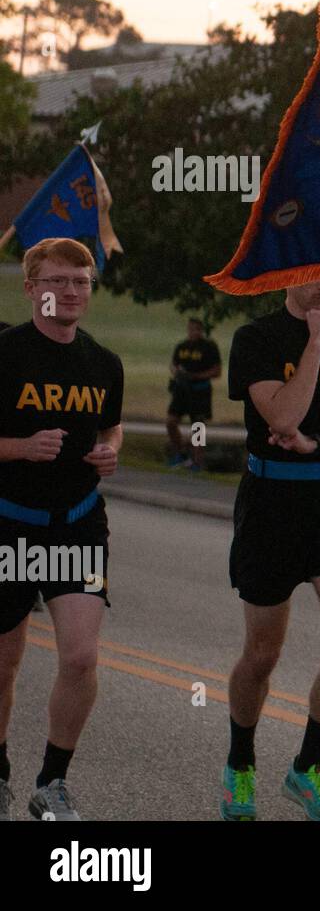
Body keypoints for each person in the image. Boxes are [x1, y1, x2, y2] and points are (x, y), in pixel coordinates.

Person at [219, 278, 320, 821]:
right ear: (285, 274)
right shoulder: (256, 339)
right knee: (262, 654)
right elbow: (283, 418)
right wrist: (314, 344)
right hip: (270, 503)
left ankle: (306, 768)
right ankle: (241, 763)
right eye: (313, 272)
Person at [0, 238, 124, 820]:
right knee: (4, 662)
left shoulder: (104, 363)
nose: (70, 292)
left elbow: (112, 429)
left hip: (77, 524)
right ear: (31, 289)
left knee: (79, 657)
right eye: (56, 282)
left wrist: (107, 451)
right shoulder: (6, 354)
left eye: (80, 282)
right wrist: (20, 448)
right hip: (9, 523)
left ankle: (51, 783)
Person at [167, 318, 222, 470]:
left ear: (201, 330)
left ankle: (197, 461)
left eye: (197, 329)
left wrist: (196, 376)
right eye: (191, 329)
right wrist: (178, 373)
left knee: (198, 426)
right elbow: (173, 364)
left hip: (200, 390)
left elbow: (217, 371)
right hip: (182, 389)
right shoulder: (182, 346)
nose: (194, 332)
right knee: (171, 421)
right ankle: (180, 454)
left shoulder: (209, 347)